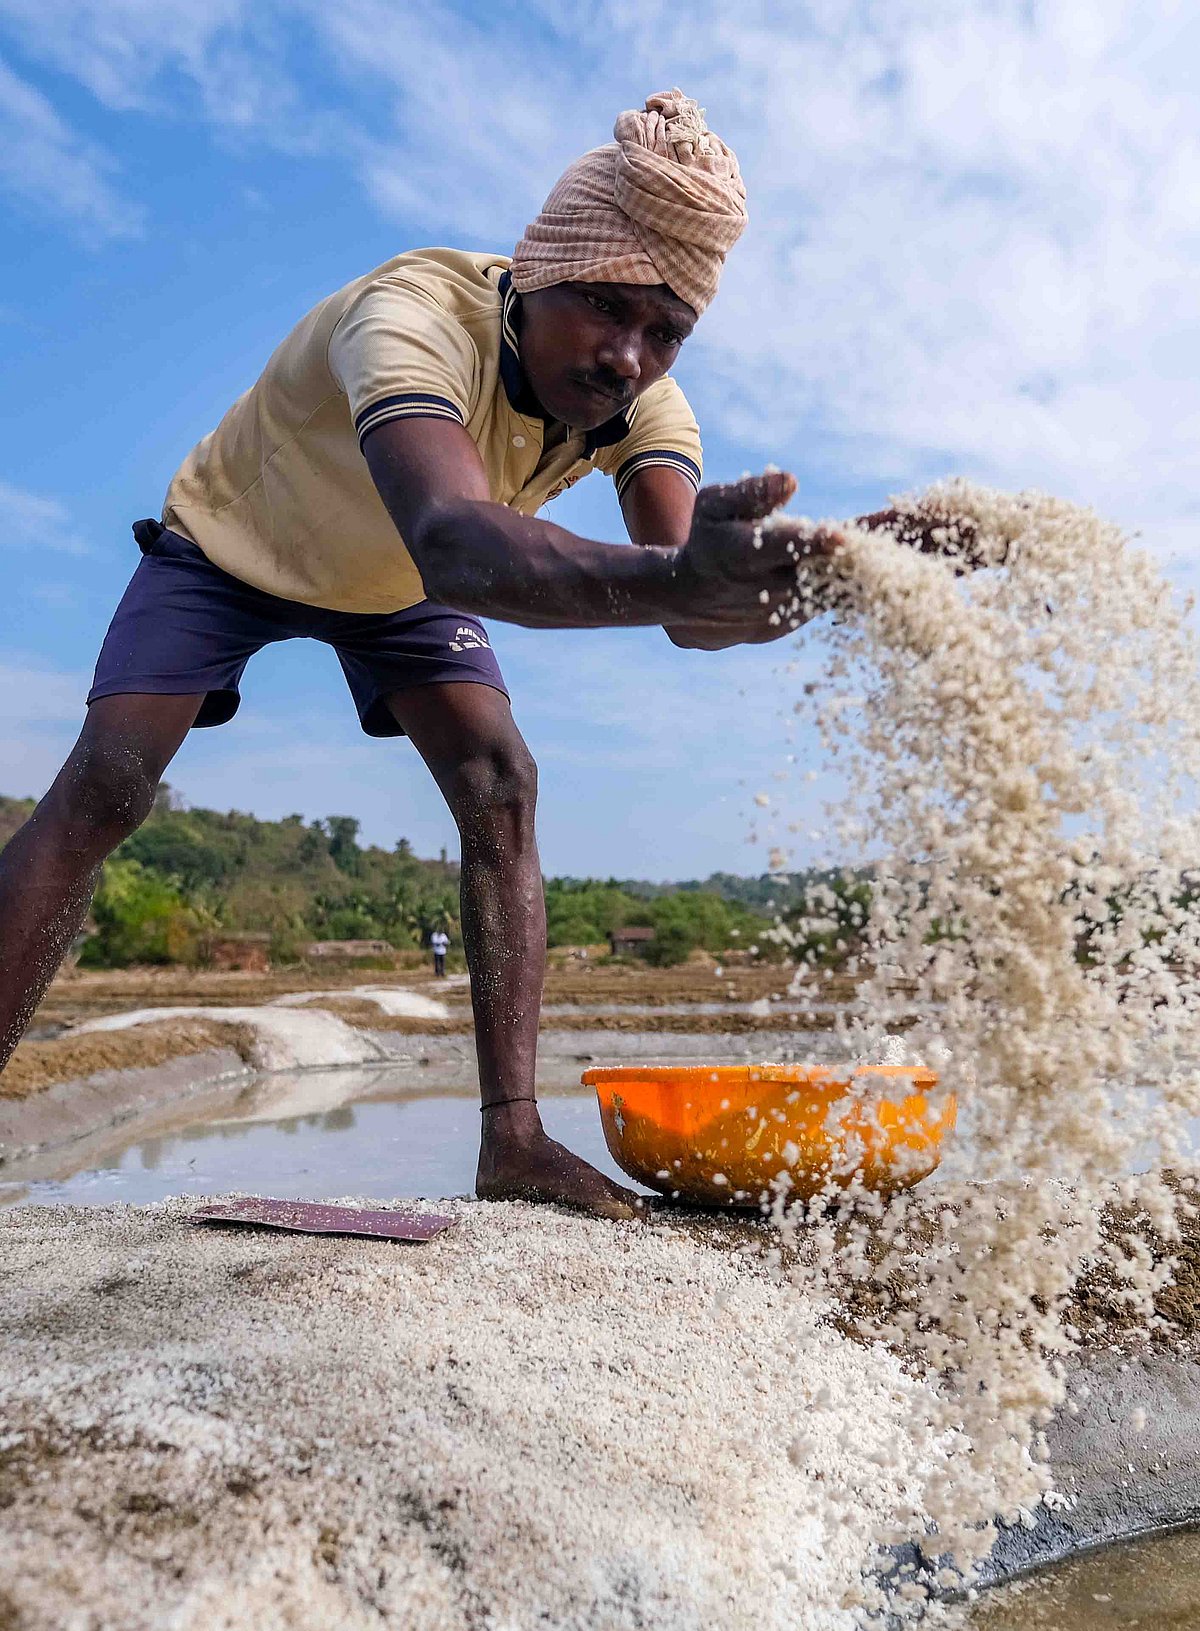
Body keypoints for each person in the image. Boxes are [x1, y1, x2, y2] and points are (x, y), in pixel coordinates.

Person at [0, 90, 961, 1220]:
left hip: (401, 586)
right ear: (535, 273)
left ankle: (513, 1138)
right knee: (110, 782)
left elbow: (682, 597)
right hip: (238, 545)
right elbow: (457, 540)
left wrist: (831, 572)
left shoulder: (648, 409)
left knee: (500, 780)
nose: (626, 355)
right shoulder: (409, 315)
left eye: (664, 332)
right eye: (605, 308)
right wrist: (680, 580)